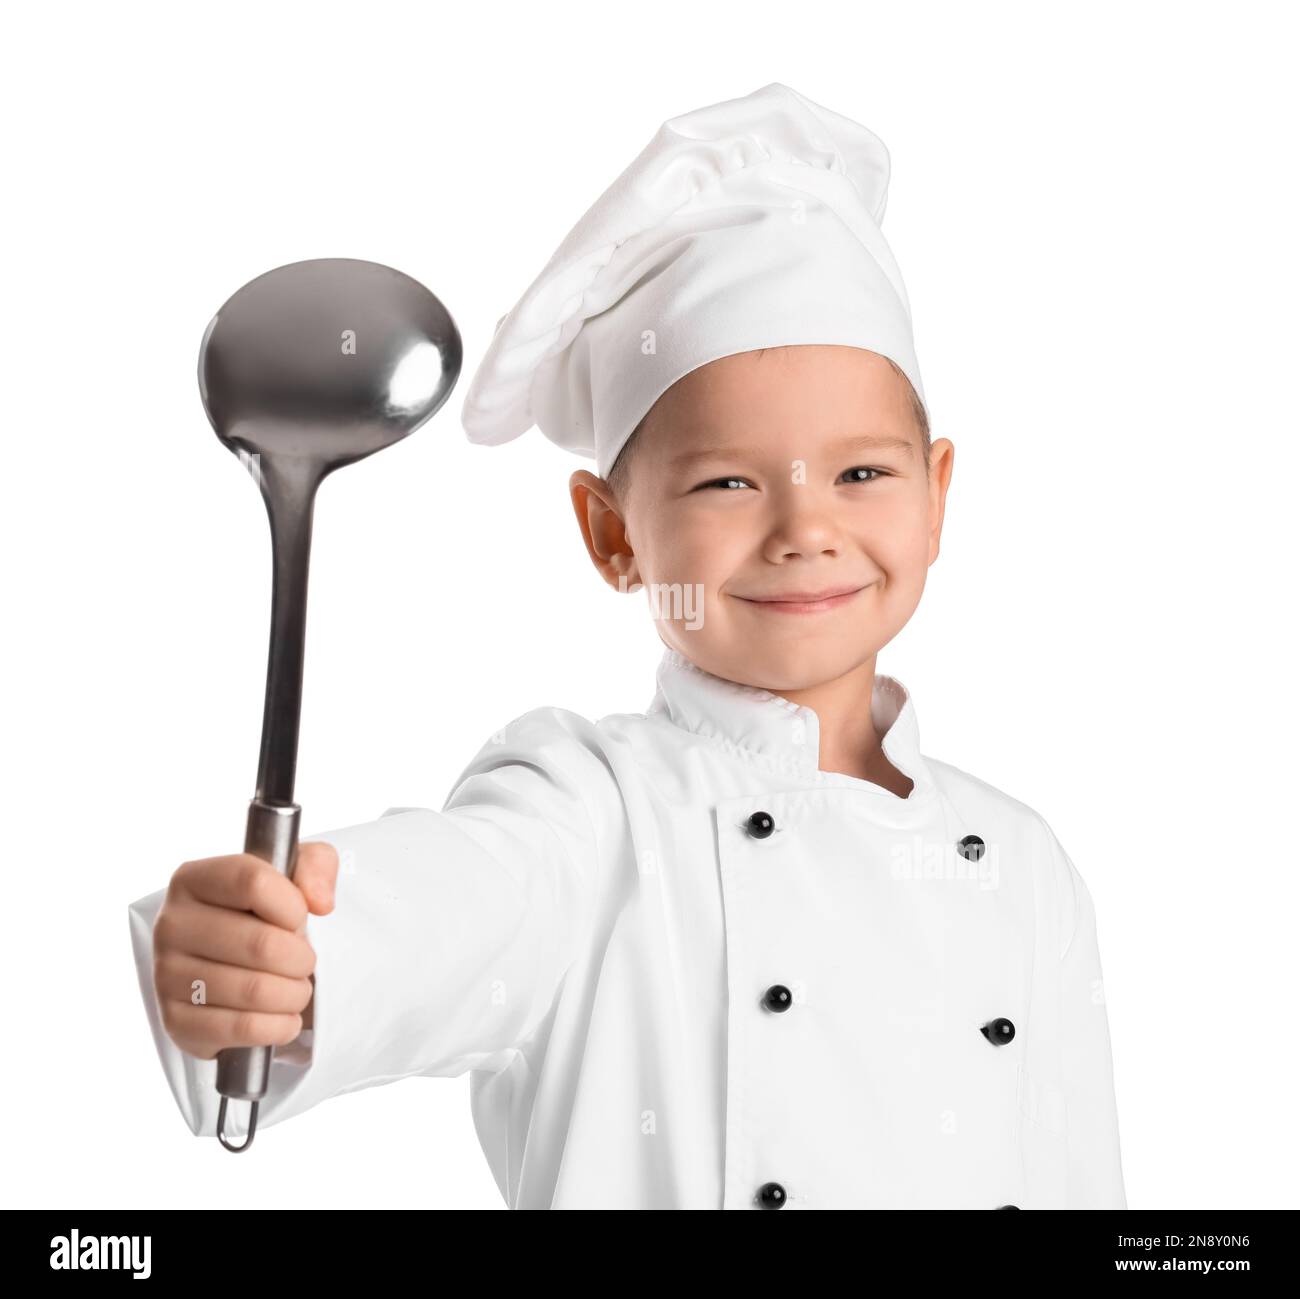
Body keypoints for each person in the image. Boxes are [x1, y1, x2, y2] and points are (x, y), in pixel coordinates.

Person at [127, 82, 1126, 1209]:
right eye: (728, 482)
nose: (806, 531)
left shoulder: (1024, 862)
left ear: (936, 495)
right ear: (611, 534)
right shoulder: (588, 816)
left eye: (861, 473)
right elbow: (440, 910)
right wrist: (276, 961)